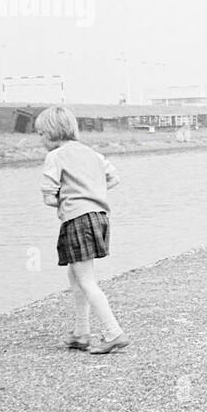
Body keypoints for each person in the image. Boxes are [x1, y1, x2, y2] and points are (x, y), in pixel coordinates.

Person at [36, 106, 128, 355]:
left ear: (51, 132)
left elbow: (48, 197)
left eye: (41, 134)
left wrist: (68, 199)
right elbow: (114, 179)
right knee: (75, 275)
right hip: (99, 217)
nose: (41, 140)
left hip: (76, 220)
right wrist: (92, 192)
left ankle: (113, 332)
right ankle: (81, 332)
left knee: (86, 280)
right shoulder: (92, 154)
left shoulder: (55, 156)